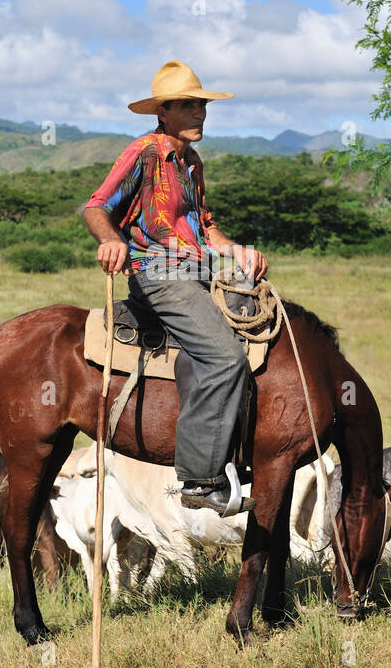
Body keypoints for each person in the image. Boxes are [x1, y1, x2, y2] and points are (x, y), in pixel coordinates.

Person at [82, 60, 268, 516]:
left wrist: (236, 250)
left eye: (202, 105)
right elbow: (96, 205)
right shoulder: (146, 152)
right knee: (224, 355)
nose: (200, 113)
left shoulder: (192, 162)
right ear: (163, 112)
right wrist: (111, 240)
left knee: (260, 333)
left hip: (200, 271)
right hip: (157, 274)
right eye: (188, 105)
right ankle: (200, 480)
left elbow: (205, 227)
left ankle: (240, 455)